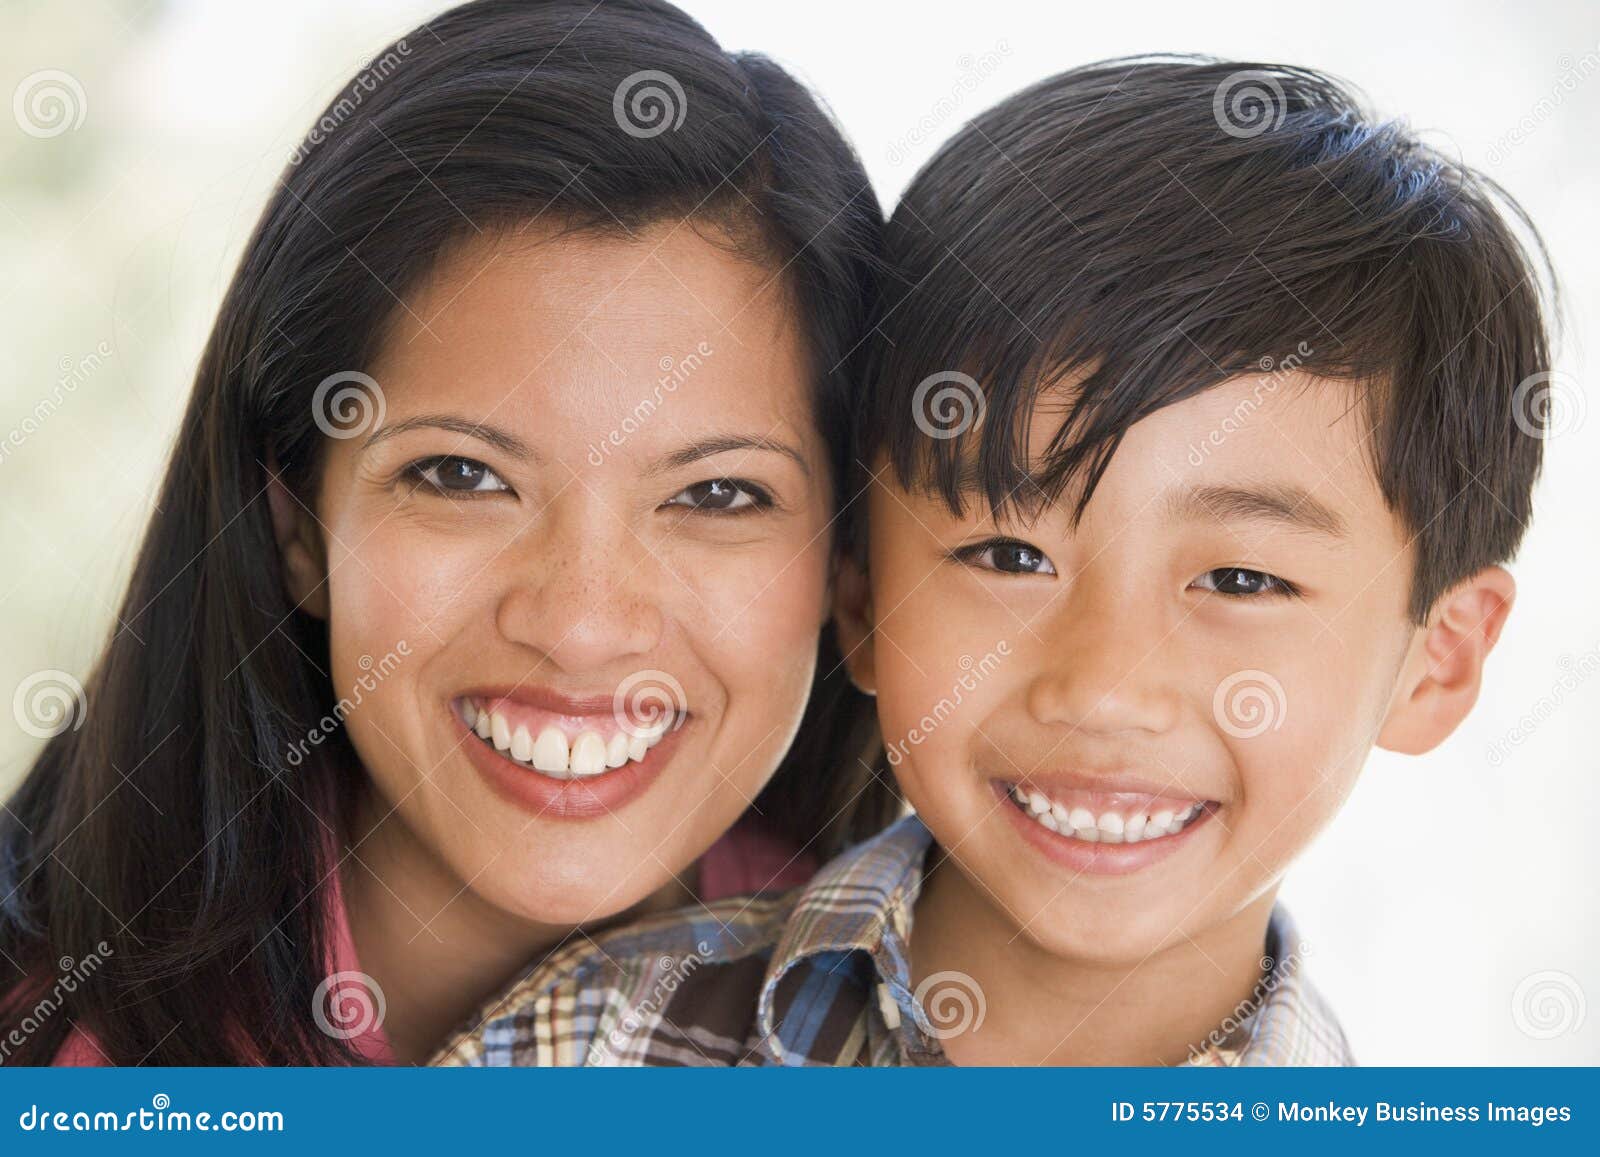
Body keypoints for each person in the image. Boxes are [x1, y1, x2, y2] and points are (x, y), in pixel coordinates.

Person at [433, 56, 1554, 1067]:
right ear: (861, 598)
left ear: (1438, 659)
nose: (1104, 685)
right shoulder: (592, 1042)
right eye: (1007, 552)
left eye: (1242, 580)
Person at [0, 0, 896, 1065]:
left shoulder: (941, 1033)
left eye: (715, 494)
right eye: (461, 474)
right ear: (297, 524)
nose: (579, 623)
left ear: (848, 556)